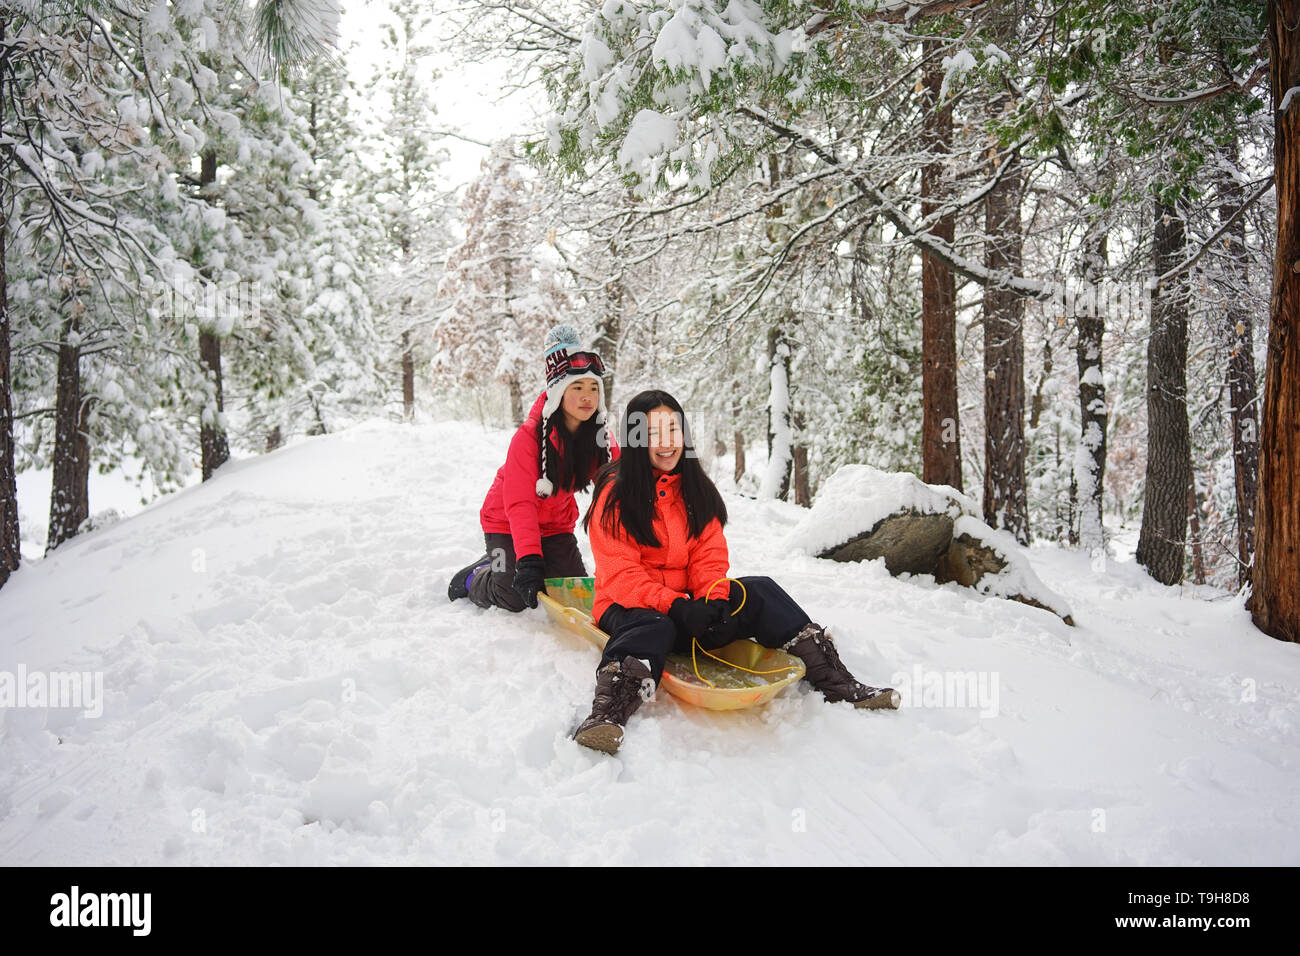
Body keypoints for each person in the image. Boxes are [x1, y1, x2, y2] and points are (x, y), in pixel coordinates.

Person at [573, 388, 897, 754]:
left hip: (690, 609)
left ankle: (837, 681)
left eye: (673, 431)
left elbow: (708, 558)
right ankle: (608, 713)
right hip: (628, 606)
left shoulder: (695, 489)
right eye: (653, 434)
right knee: (654, 625)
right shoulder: (615, 495)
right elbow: (621, 575)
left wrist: (714, 602)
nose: (666, 444)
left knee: (760, 590)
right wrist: (676, 607)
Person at [448, 324, 617, 611]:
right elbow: (519, 504)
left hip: (554, 525)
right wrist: (528, 559)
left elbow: (620, 480)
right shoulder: (528, 438)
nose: (587, 396)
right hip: (505, 523)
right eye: (577, 387)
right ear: (558, 393)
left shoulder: (599, 437)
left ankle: (518, 561)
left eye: (593, 388)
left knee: (573, 592)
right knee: (512, 595)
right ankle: (479, 574)